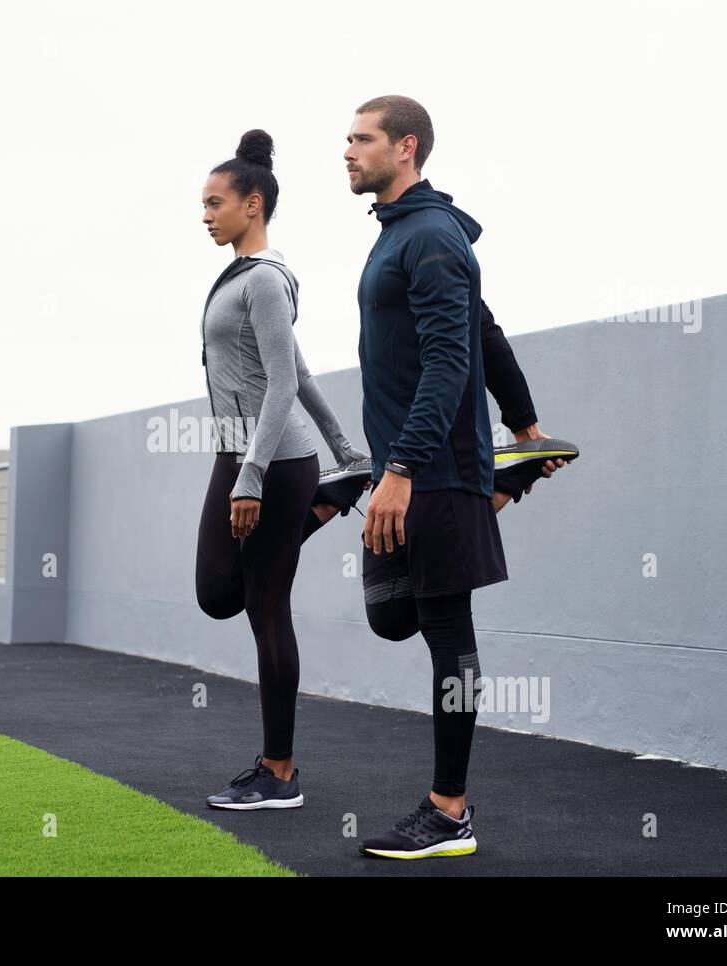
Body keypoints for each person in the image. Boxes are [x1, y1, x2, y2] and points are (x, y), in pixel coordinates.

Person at [343, 94, 578, 859]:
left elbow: (453, 356)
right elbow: (484, 329)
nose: (347, 151)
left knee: (446, 627)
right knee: (389, 612)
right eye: (346, 139)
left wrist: (405, 467)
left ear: (406, 147)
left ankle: (450, 812)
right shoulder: (401, 235)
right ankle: (509, 481)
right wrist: (526, 421)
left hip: (430, 466)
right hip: (413, 469)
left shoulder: (433, 236)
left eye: (362, 139)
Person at [194, 129, 370, 809]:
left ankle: (281, 773)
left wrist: (253, 476)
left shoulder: (265, 280)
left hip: (270, 461)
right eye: (203, 204)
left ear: (253, 204)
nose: (206, 214)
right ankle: (324, 502)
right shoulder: (242, 278)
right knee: (218, 592)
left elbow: (281, 386)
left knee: (266, 606)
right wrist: (348, 450)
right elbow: (297, 369)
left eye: (216, 203)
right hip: (243, 454)